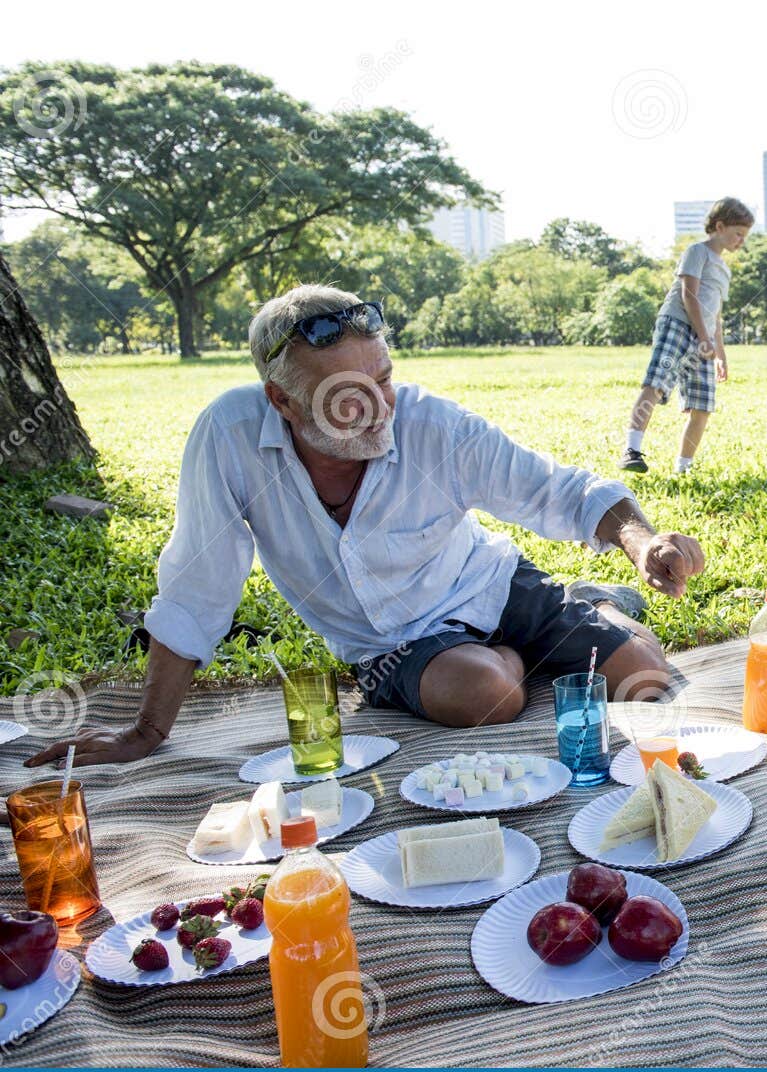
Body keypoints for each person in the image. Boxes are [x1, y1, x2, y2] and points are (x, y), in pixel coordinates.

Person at [27, 285, 706, 771]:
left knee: (644, 677)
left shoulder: (431, 424)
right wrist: (147, 730)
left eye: (384, 379)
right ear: (281, 400)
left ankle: (596, 609)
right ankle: (569, 628)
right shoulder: (229, 437)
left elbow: (563, 491)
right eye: (348, 395)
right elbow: (196, 585)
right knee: (489, 694)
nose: (379, 408)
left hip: (490, 582)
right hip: (391, 640)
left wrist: (643, 542)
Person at [620, 198, 754, 474]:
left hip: (704, 337)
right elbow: (688, 294)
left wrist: (720, 354)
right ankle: (631, 449)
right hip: (679, 323)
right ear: (719, 226)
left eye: (745, 236)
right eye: (738, 233)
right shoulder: (697, 252)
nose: (741, 240)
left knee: (702, 405)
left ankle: (684, 468)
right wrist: (703, 335)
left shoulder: (724, 268)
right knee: (656, 384)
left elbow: (715, 314)